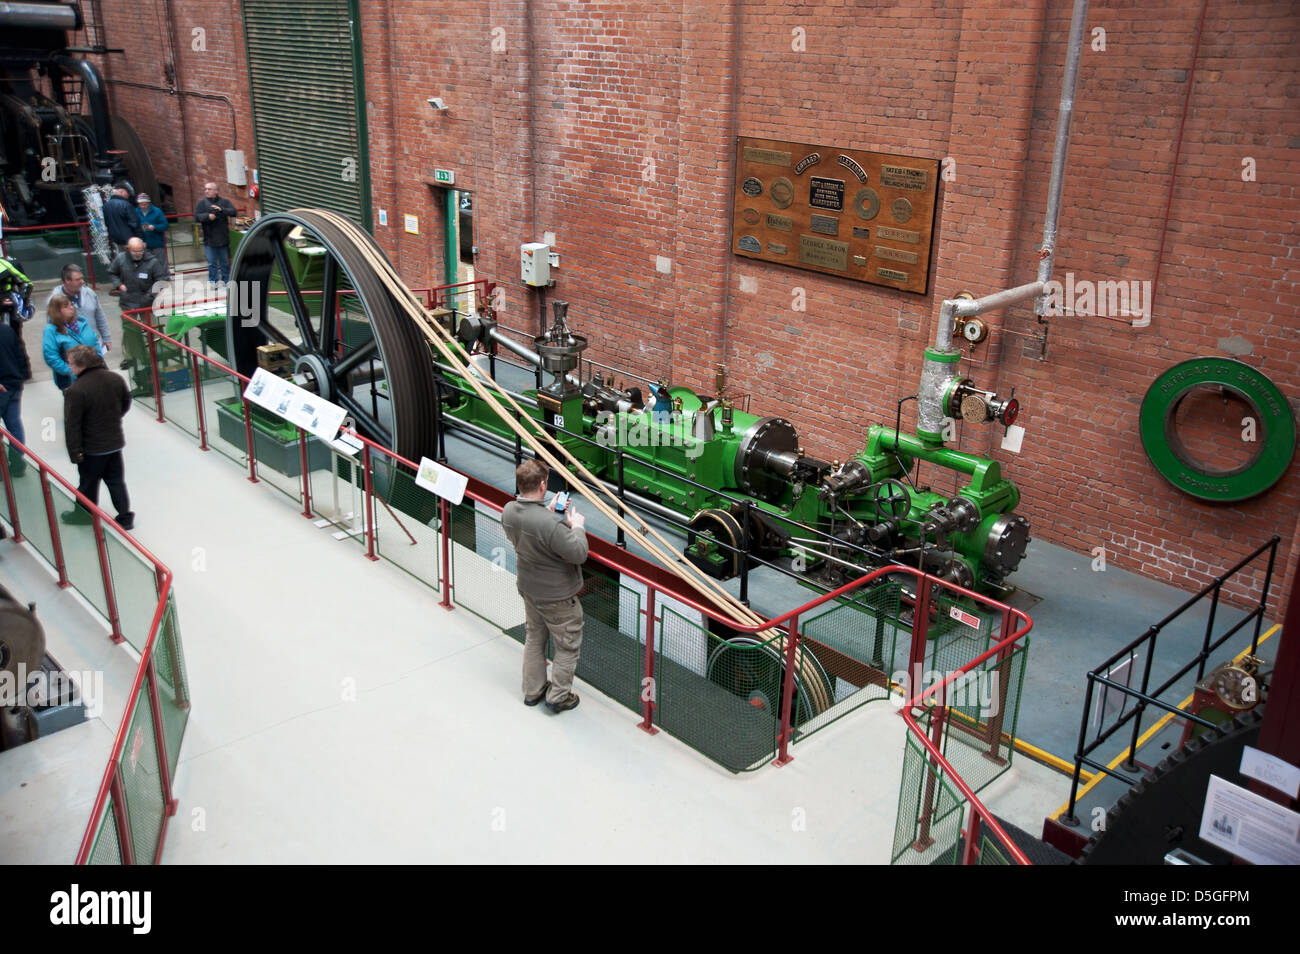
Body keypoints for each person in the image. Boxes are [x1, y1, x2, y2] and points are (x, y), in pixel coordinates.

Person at [501, 458, 588, 713]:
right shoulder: (552, 524)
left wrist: (548, 512)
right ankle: (558, 696)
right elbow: (578, 553)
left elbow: (531, 531)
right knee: (567, 645)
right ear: (542, 485)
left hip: (529, 589)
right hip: (558, 597)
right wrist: (578, 527)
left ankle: (533, 690)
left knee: (534, 637)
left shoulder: (508, 510)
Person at [61, 345, 133, 531]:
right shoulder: (115, 378)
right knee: (116, 480)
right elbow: (125, 403)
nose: (69, 367)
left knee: (88, 484)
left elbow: (72, 425)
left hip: (92, 448)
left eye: (70, 364)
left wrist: (74, 452)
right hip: (114, 442)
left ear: (81, 365)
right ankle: (125, 517)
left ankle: (83, 515)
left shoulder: (76, 390)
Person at [109, 238, 168, 374]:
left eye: (140, 251)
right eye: (134, 251)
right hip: (128, 301)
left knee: (152, 330)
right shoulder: (120, 259)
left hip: (146, 303)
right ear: (128, 249)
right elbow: (112, 273)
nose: (137, 254)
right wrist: (118, 284)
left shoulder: (152, 262)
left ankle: (154, 354)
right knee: (130, 331)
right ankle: (130, 357)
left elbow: (160, 280)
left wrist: (150, 295)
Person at [47, 265, 111, 356]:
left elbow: (99, 316)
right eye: (78, 279)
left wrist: (106, 338)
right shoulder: (54, 300)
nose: (82, 282)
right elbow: (52, 329)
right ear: (67, 280)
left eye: (82, 278)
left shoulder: (90, 293)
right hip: (71, 352)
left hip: (93, 346)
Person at [42, 294, 101, 392]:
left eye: (71, 304)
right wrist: (72, 371)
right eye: (66, 306)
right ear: (57, 311)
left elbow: (95, 343)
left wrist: (98, 362)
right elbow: (51, 356)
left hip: (94, 374)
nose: (71, 308)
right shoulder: (50, 330)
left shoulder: (83, 323)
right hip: (71, 381)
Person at [0, 312, 29, 476]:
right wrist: (22, 377)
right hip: (14, 385)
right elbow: (21, 355)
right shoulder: (7, 330)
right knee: (15, 425)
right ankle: (17, 465)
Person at [194, 182, 237, 285]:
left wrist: (222, 210)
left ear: (216, 191)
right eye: (205, 189)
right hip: (209, 239)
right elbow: (196, 217)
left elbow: (233, 212)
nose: (206, 191)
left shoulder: (224, 202)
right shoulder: (202, 203)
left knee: (225, 263)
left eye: (209, 189)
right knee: (211, 263)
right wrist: (208, 217)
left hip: (223, 238)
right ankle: (213, 280)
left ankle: (226, 280)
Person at [135, 193, 169, 273]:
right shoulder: (135, 212)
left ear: (149, 203)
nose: (143, 206)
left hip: (157, 242)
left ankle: (164, 277)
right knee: (145, 263)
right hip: (143, 243)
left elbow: (165, 225)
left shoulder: (157, 211)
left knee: (161, 262)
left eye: (145, 204)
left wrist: (154, 227)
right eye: (141, 204)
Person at [103, 182, 140, 254]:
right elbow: (134, 223)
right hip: (130, 239)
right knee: (135, 259)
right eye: (127, 193)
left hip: (116, 239)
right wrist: (140, 238)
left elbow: (107, 223)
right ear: (122, 192)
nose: (128, 196)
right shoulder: (126, 204)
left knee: (122, 259)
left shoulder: (106, 206)